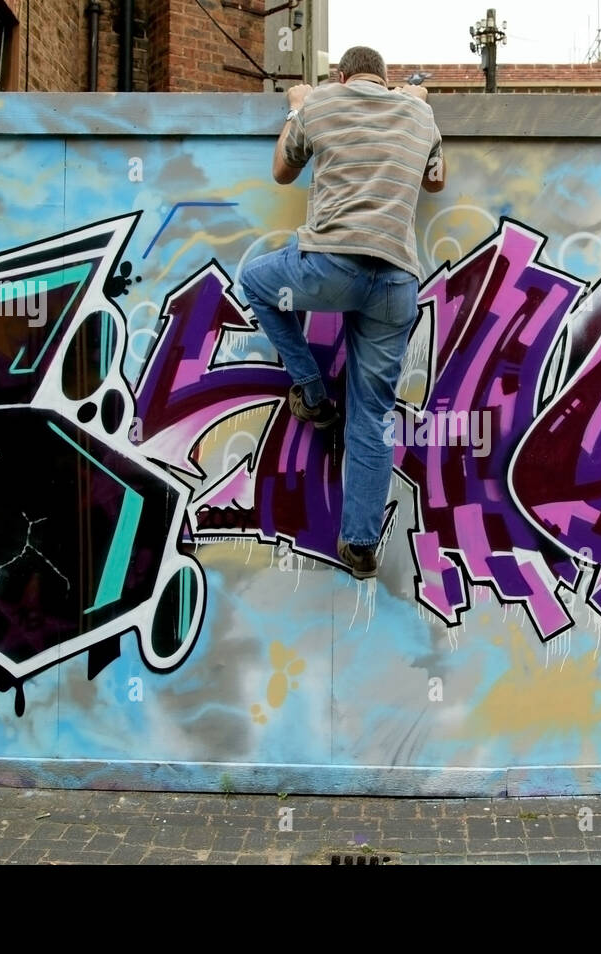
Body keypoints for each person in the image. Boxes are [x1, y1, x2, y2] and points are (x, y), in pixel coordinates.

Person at [239, 46, 445, 580]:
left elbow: (283, 171)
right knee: (373, 417)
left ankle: (310, 391)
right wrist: (416, 103)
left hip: (331, 269)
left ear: (342, 75)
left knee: (256, 282)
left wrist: (297, 104)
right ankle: (359, 545)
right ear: (385, 77)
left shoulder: (322, 102)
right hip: (396, 282)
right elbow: (436, 180)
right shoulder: (419, 113)